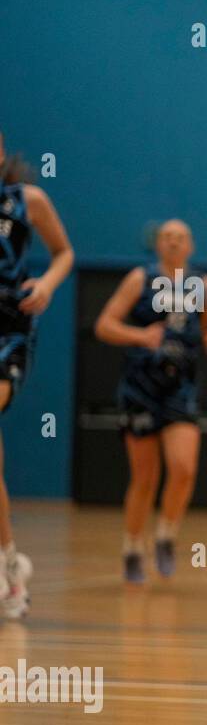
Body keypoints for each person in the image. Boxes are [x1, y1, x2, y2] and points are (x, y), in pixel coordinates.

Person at [95, 220, 207, 583]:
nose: (173, 243)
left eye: (180, 238)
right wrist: (140, 335)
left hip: (179, 387)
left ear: (191, 246)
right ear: (158, 244)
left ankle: (166, 535)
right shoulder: (140, 278)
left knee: (184, 469)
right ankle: (133, 547)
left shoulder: (203, 284)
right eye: (167, 237)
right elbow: (105, 325)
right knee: (144, 478)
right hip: (140, 387)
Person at [0, 129, 74, 619]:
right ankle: (10, 566)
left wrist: (46, 282)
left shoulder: (27, 200)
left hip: (9, 328)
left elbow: (64, 252)